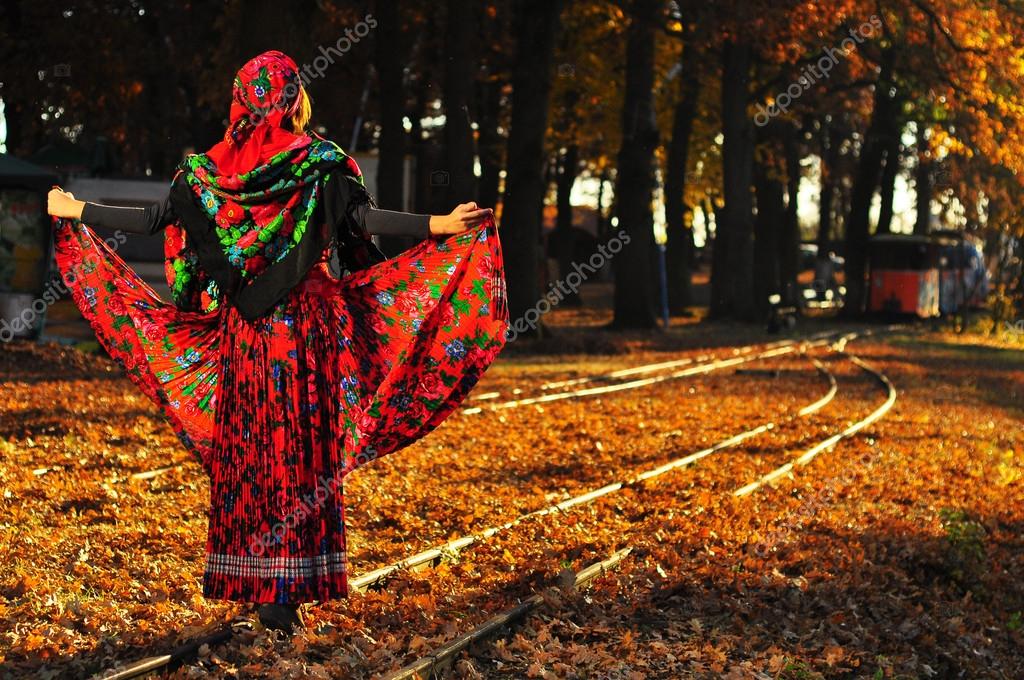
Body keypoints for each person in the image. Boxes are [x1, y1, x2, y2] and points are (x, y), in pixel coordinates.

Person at [46, 51, 509, 633]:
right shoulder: (319, 164)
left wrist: (76, 209)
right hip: (306, 332)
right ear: (293, 99)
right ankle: (289, 587)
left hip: (245, 336)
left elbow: (154, 217)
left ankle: (254, 579)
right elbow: (364, 223)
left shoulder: (205, 176)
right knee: (299, 454)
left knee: (249, 451)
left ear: (240, 100)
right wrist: (435, 226)